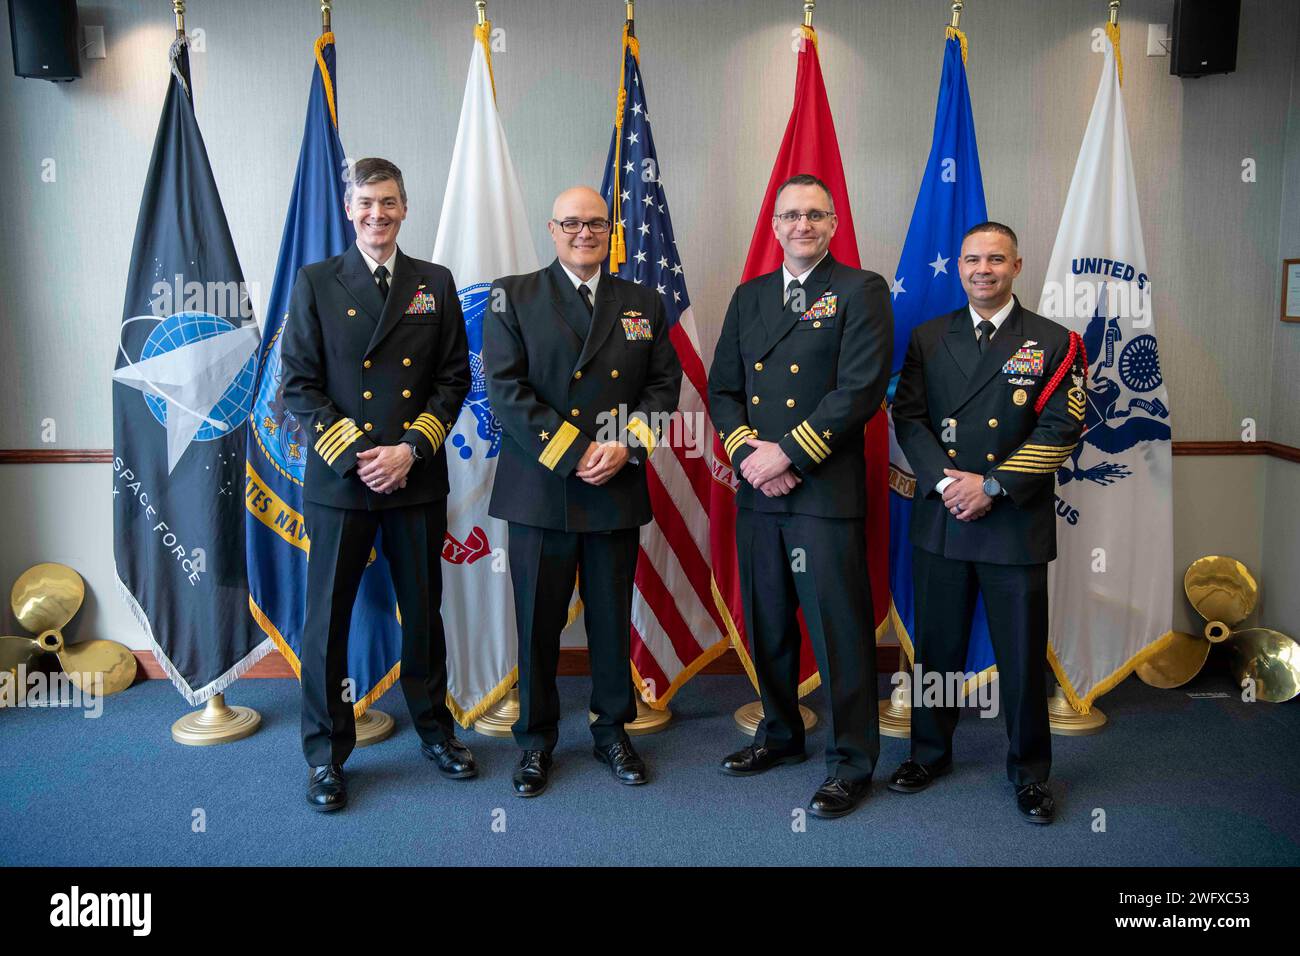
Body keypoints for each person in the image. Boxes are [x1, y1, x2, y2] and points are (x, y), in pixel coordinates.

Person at [281, 157, 475, 811]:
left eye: (389, 202)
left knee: (423, 615)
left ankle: (436, 733)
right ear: (348, 208)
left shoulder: (433, 282)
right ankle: (326, 755)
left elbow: (454, 379)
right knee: (326, 621)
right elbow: (298, 385)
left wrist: (411, 448)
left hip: (413, 479)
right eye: (366, 202)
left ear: (405, 206)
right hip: (343, 480)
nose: (377, 214)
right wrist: (363, 454)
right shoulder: (315, 282)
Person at [483, 186, 682, 797]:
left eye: (595, 223)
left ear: (610, 229)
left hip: (614, 484)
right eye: (571, 223)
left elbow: (662, 387)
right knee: (537, 622)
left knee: (609, 616)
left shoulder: (642, 301)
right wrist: (574, 453)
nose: (584, 232)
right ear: (552, 227)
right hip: (541, 489)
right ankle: (536, 741)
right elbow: (506, 390)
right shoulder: (511, 295)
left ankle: (611, 731)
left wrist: (624, 444)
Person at [888, 221, 1087, 824]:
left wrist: (993, 486)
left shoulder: (1056, 342)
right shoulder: (928, 337)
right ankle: (929, 753)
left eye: (996, 259)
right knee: (937, 651)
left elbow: (1061, 431)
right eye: (972, 259)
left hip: (1012, 521)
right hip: (945, 516)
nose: (983, 270)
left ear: (1017, 266)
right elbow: (909, 419)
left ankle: (1030, 773)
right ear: (960, 266)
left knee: (1022, 657)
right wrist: (950, 483)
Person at [707, 173, 893, 819]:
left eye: (814, 215)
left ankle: (849, 763)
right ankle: (782, 735)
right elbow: (722, 389)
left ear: (834, 223)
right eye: (790, 216)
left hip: (821, 489)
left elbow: (861, 387)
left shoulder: (860, 290)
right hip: (760, 491)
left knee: (837, 630)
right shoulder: (749, 294)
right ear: (776, 226)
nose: (802, 225)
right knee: (768, 622)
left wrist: (787, 452)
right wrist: (748, 457)